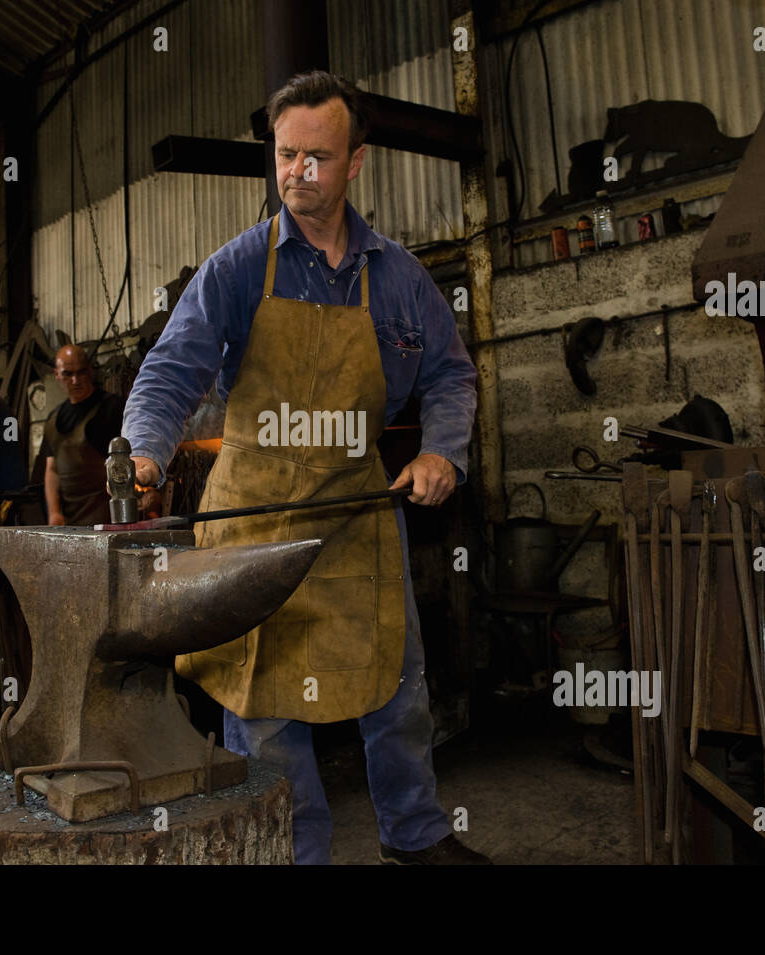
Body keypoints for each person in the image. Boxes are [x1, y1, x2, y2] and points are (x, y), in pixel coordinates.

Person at [121, 71, 485, 865]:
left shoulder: (399, 278)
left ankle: (416, 836)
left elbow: (451, 376)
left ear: (356, 161)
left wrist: (438, 450)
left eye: (317, 156)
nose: (298, 173)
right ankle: (292, 854)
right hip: (253, 521)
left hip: (356, 513)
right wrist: (146, 450)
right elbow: (170, 370)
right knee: (267, 712)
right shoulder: (238, 268)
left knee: (395, 684)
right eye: (286, 155)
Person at [41, 344, 125, 526]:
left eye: (81, 372)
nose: (75, 380)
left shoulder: (113, 408)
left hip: (108, 519)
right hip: (70, 522)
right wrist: (54, 513)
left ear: (91, 371)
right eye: (68, 374)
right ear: (57, 374)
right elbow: (52, 470)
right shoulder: (54, 419)